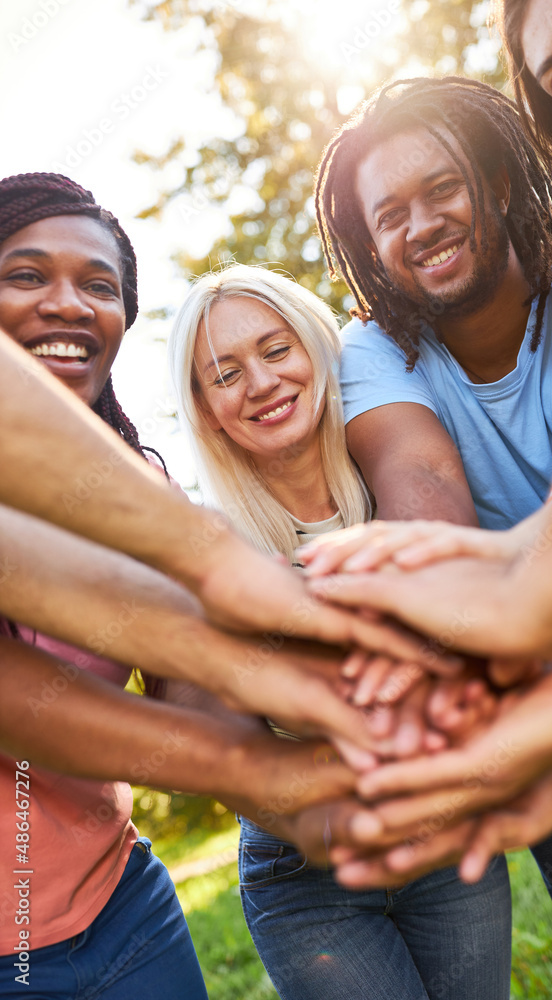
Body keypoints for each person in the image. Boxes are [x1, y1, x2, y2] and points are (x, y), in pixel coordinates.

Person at [301, 76, 552, 1000]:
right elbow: (424, 496)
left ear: (498, 183)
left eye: (442, 189)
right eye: (389, 214)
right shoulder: (374, 356)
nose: (420, 225)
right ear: (369, 244)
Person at [0, 173, 385, 999]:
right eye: (26, 275)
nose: (68, 304)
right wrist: (256, 768)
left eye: (98, 286)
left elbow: (183, 679)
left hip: (124, 910)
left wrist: (312, 772)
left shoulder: (138, 483)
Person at [167, 263, 512, 1000]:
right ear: (206, 408)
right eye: (225, 374)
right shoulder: (208, 540)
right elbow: (212, 724)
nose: (261, 383)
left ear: (318, 348)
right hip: (307, 870)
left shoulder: (401, 480)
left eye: (276, 350)